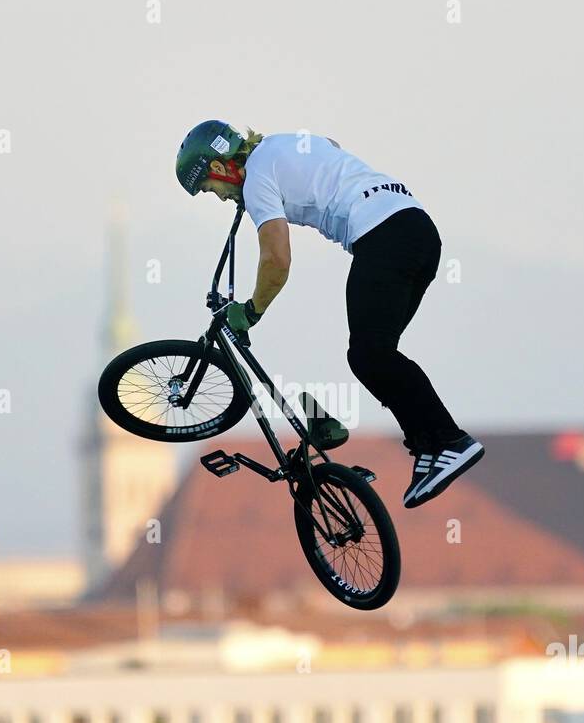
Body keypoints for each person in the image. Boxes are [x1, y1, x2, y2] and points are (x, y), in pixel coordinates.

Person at [175, 121, 483, 508]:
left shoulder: (255, 182)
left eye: (209, 188)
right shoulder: (279, 143)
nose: (219, 198)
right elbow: (331, 147)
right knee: (376, 356)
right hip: (419, 232)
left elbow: (277, 259)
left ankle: (450, 441)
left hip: (383, 237)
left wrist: (252, 310)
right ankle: (430, 447)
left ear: (219, 168)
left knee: (371, 355)